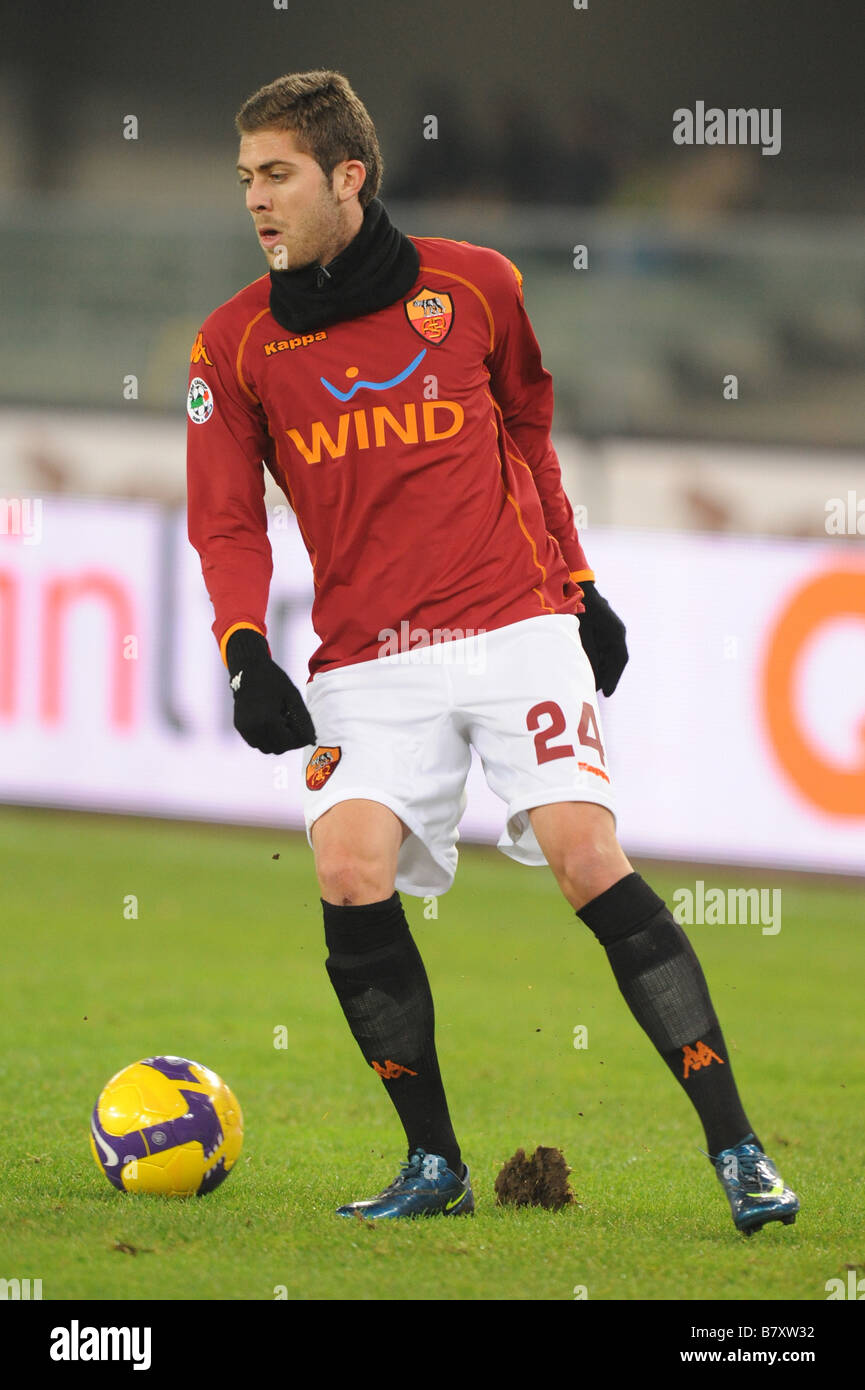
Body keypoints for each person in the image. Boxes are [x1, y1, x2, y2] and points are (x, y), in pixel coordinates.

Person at [186, 69, 798, 1234]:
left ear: (346, 176)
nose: (255, 201)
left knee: (583, 854)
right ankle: (434, 1166)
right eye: (245, 179)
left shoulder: (476, 287)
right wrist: (243, 649)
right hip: (367, 657)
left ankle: (742, 1152)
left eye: (276, 175)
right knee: (348, 871)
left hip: (513, 623)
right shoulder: (234, 345)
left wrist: (577, 582)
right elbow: (221, 519)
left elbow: (527, 434)